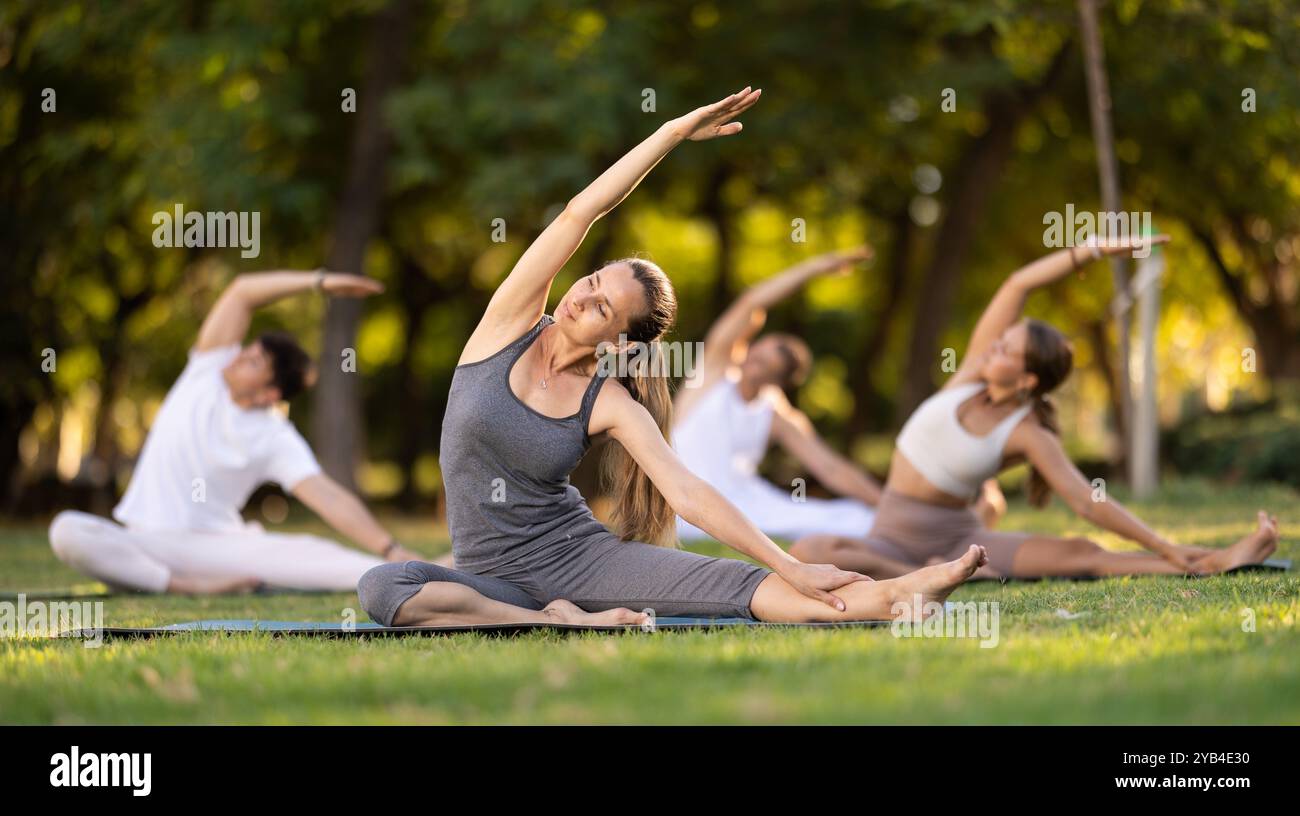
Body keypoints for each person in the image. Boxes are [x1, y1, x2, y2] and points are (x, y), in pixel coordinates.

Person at [357, 87, 988, 630]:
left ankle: (895, 597)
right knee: (383, 588)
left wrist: (787, 562)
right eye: (593, 282)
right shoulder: (506, 327)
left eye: (603, 307)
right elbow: (582, 211)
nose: (582, 298)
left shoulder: (605, 400)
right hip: (490, 582)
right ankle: (552, 620)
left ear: (621, 342)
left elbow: (686, 491)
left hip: (581, 559)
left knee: (732, 590)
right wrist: (671, 132)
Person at [790, 236, 1280, 579]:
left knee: (1083, 555)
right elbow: (1018, 285)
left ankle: (1210, 560)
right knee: (810, 549)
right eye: (1001, 340)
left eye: (1006, 349)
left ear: (1026, 379)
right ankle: (925, 576)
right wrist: (1092, 251)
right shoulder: (968, 378)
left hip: (960, 540)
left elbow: (1088, 501)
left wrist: (1167, 546)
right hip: (892, 541)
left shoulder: (1026, 433)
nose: (992, 348)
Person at [48, 269, 425, 594]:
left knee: (319, 560)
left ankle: (424, 571)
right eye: (250, 349)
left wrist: (389, 548)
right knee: (67, 531)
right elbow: (243, 291)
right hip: (144, 541)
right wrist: (319, 281)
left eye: (254, 361)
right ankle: (182, 586)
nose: (240, 354)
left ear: (269, 393)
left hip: (215, 549)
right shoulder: (205, 372)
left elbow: (328, 498)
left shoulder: (274, 436)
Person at [672, 248, 1010, 542]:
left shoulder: (774, 411)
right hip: (682, 502)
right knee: (832, 521)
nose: (751, 364)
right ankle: (941, 527)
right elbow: (752, 303)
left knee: (848, 516)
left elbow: (831, 469)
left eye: (766, 366)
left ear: (777, 382)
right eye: (756, 353)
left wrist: (888, 504)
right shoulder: (713, 374)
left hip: (745, 501)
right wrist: (817, 267)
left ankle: (941, 525)